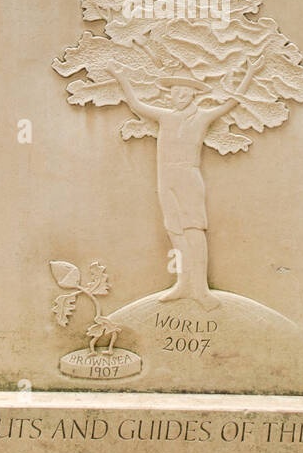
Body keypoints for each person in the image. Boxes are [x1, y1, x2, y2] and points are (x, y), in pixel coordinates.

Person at [108, 57, 262, 302]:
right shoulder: (165, 117)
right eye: (174, 91)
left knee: (193, 229)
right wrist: (121, 78)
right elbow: (136, 104)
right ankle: (183, 284)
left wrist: (249, 74)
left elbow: (231, 102)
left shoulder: (202, 118)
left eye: (182, 91)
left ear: (192, 94)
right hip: (165, 177)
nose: (177, 95)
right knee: (174, 229)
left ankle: (200, 289)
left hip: (188, 176)